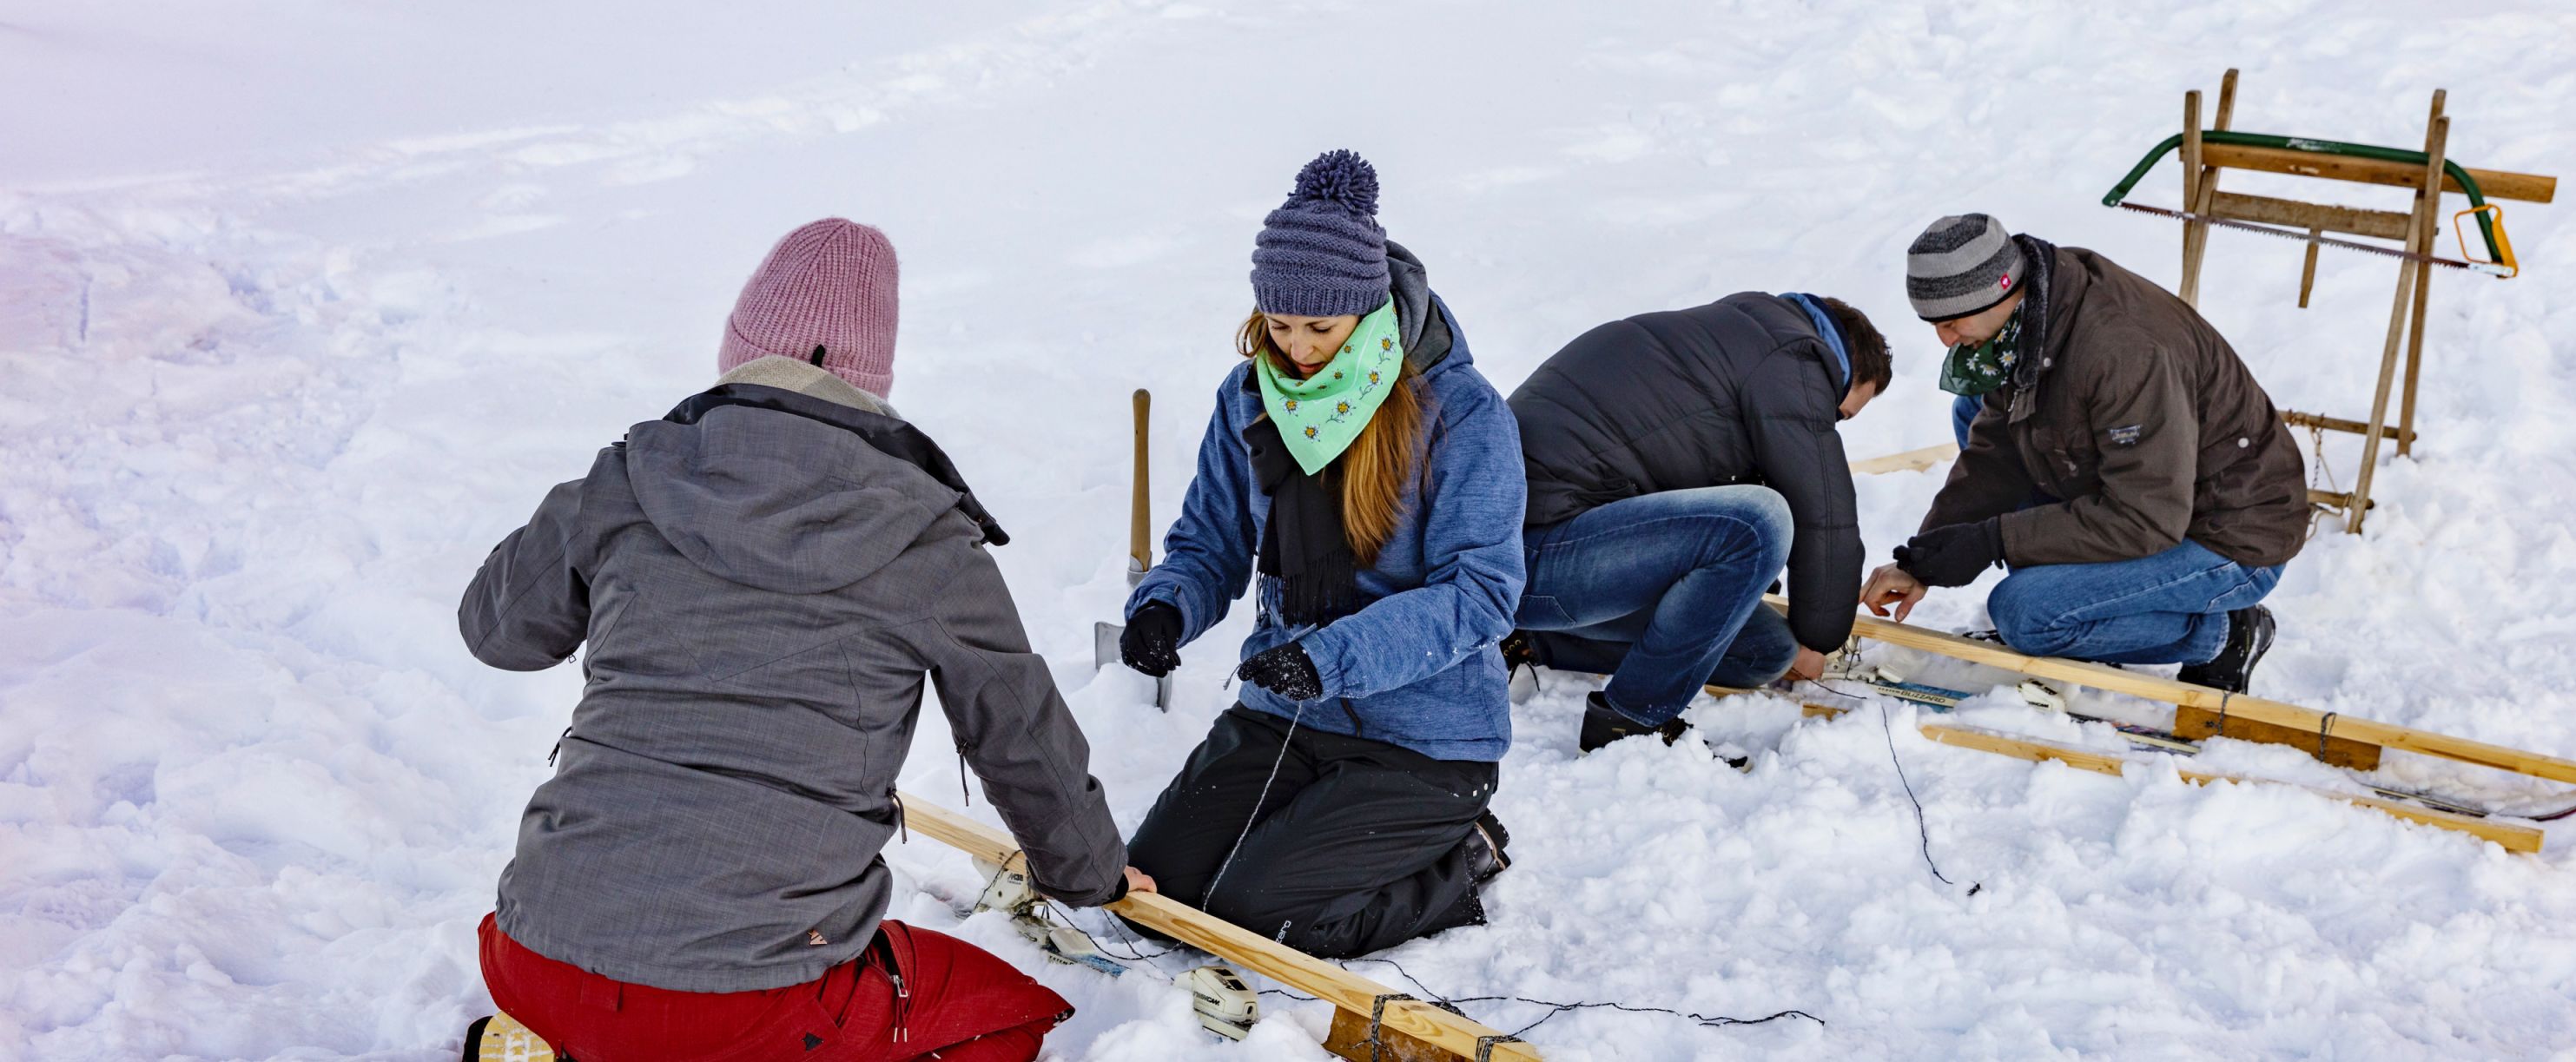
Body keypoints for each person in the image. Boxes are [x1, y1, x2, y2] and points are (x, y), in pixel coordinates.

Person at [459, 218, 1146, 1062]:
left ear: (736, 352)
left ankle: (566, 1045)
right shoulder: (925, 539)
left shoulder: (630, 479)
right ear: (872, 383)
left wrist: (599, 499)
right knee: (1009, 1015)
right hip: (749, 1004)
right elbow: (1021, 738)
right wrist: (1091, 874)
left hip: (535, 951)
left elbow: (496, 632)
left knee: (625, 1017)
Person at [1114, 150, 1525, 958]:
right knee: (1153, 891)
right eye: (1279, 325)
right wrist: (1167, 604)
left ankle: (1462, 858)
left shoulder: (1463, 413)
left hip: (1424, 739)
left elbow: (1481, 594)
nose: (1297, 349)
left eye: (1321, 329)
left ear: (1369, 314)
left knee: (1255, 919)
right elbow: (1210, 542)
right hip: (1287, 714)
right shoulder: (1248, 397)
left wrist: (1331, 658)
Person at [1861, 214, 2309, 693]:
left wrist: (1994, 540)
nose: (1946, 340)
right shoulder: (2037, 310)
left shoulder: (2123, 352)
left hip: (2227, 533)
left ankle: (2223, 630)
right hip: (2154, 499)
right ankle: (2081, 598)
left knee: (2026, 614)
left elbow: (2146, 518)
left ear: (2001, 290)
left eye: (1952, 322)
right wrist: (1928, 556)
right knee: (1974, 407)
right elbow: (1998, 450)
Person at [1505, 293, 1893, 756]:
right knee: (1758, 523)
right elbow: (1824, 514)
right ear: (1844, 370)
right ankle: (1631, 722)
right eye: (1840, 413)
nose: (1831, 422)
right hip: (1523, 558)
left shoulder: (1734, 343)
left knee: (1765, 651)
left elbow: (1684, 490)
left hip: (1542, 558)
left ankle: (1531, 640)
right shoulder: (1794, 361)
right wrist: (1820, 637)